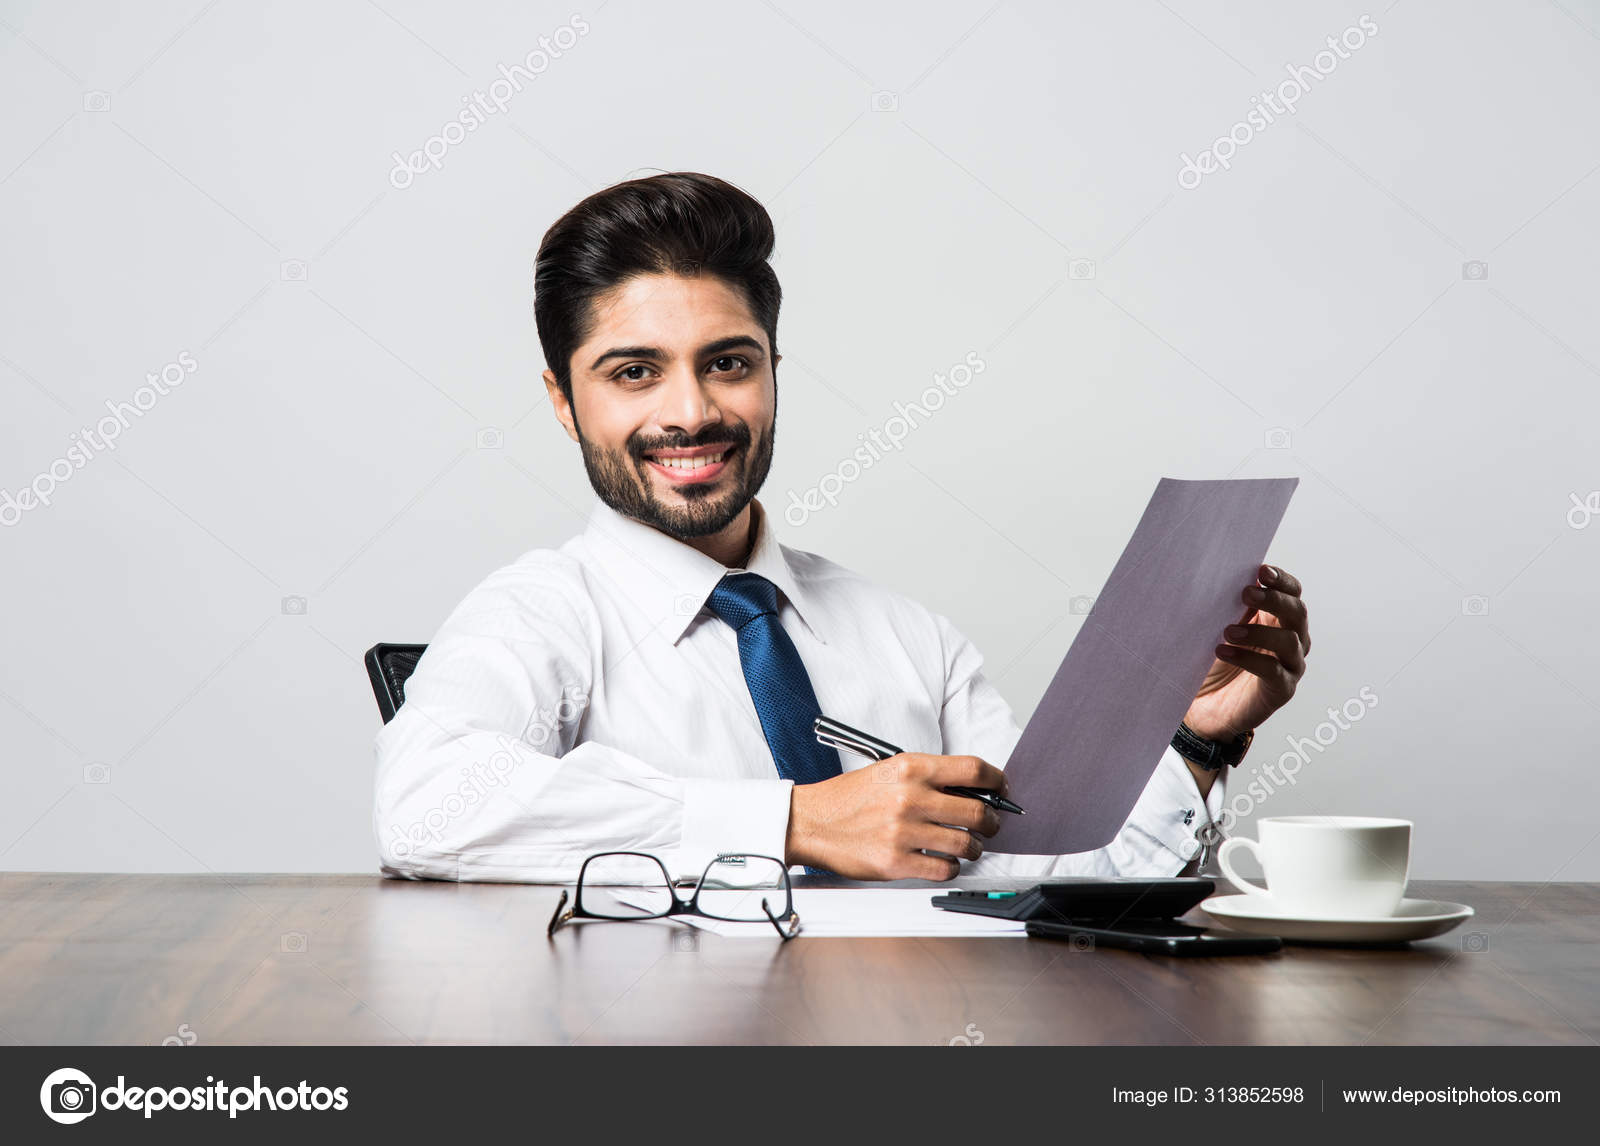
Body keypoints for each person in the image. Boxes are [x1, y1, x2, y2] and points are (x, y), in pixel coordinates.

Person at [373, 172, 1311, 884]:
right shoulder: (537, 617)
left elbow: (1056, 875)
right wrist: (793, 821)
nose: (690, 411)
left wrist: (1194, 739)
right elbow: (424, 805)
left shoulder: (911, 640)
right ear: (563, 403)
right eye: (632, 372)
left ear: (774, 371)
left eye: (728, 362)